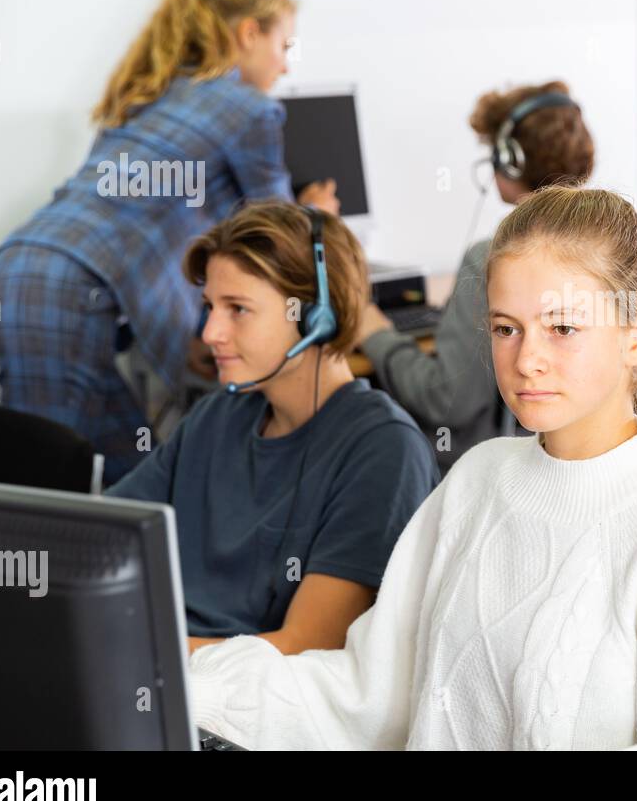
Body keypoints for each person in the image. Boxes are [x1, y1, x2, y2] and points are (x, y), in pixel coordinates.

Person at [187, 186, 637, 749]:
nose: (527, 359)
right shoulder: (476, 479)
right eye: (506, 328)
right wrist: (187, 683)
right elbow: (370, 693)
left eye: (562, 328)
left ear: (636, 335)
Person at [0, 0, 338, 482]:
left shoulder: (152, 97)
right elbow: (281, 235)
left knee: (143, 481)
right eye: (284, 45)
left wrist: (198, 329)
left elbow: (151, 235)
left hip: (19, 281)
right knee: (49, 494)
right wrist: (318, 214)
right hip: (58, 297)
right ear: (249, 34)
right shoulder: (250, 109)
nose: (284, 65)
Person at [108, 202, 437, 655]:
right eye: (210, 307)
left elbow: (305, 648)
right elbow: (105, 537)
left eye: (238, 309)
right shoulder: (216, 416)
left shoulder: (383, 452)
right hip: (166, 667)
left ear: (316, 320)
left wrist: (139, 652)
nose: (209, 333)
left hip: (250, 705)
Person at [357, 80, 594, 469]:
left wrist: (375, 334)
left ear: (509, 160)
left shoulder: (493, 259)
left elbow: (447, 399)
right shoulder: (606, 248)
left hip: (503, 473)